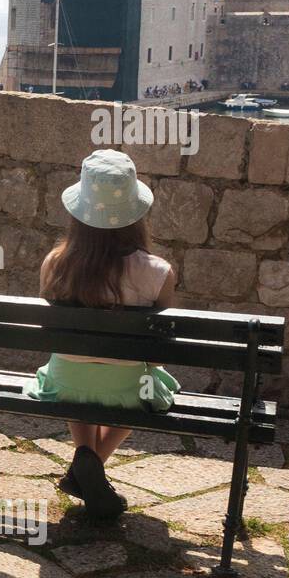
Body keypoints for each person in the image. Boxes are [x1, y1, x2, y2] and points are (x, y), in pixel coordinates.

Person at [24, 150, 179, 518]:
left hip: (65, 383)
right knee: (147, 385)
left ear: (80, 213)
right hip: (128, 391)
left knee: (78, 371)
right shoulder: (158, 272)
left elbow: (56, 339)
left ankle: (84, 461)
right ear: (135, 215)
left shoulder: (55, 263)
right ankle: (90, 463)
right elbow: (156, 358)